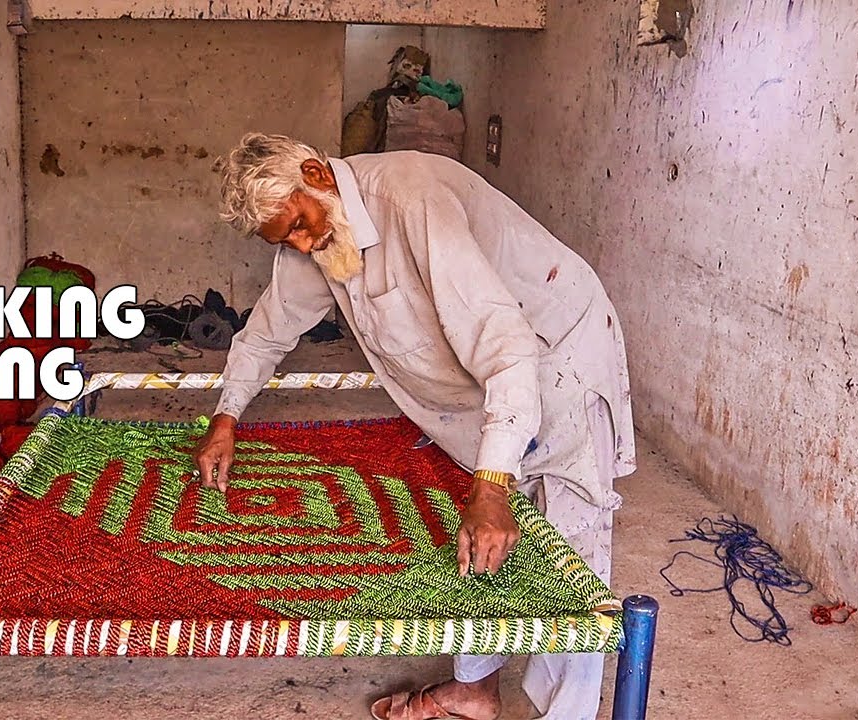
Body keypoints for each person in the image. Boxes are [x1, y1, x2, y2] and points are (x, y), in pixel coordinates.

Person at [191, 133, 637, 720]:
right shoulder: (316, 243)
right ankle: (476, 690)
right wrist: (226, 418)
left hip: (556, 358)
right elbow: (269, 330)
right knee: (483, 537)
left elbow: (507, 350)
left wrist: (492, 484)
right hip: (483, 385)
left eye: (299, 224)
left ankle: (566, 715)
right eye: (287, 239)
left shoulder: (411, 200)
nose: (301, 243)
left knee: (569, 556)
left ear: (316, 174)